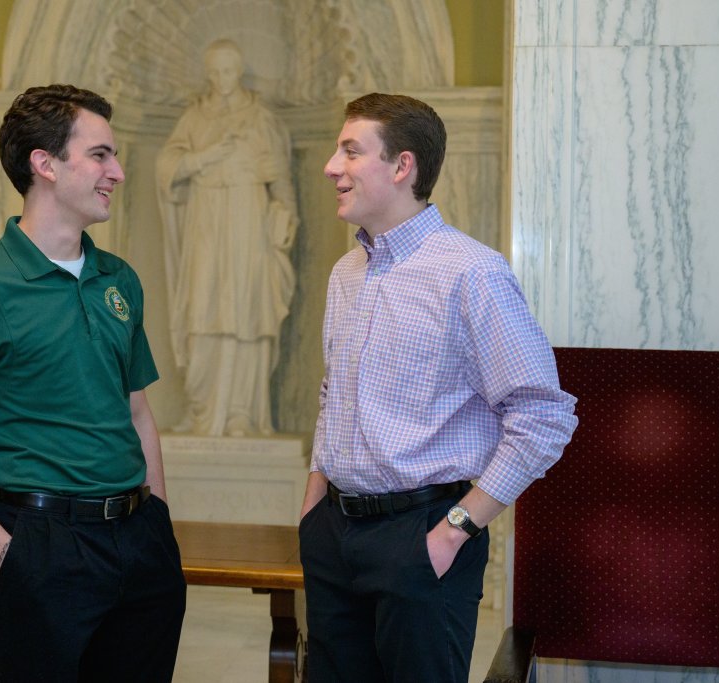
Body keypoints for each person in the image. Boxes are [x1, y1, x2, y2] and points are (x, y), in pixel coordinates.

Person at [0, 84, 186, 682]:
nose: (119, 172)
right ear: (45, 163)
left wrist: (156, 521)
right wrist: (9, 553)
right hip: (39, 543)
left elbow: (137, 412)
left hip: (139, 543)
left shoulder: (120, 280)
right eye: (101, 155)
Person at [298, 93, 578, 683]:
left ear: (402, 167)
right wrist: (315, 496)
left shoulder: (472, 272)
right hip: (334, 532)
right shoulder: (345, 272)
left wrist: (455, 530)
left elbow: (544, 416)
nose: (331, 166)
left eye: (351, 150)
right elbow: (335, 392)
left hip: (421, 536)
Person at [156, 39, 299, 437]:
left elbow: (280, 180)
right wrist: (204, 158)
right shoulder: (194, 118)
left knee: (246, 312)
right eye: (214, 72)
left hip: (247, 221)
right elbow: (167, 165)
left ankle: (242, 412)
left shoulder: (260, 118)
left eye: (228, 71)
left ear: (239, 72)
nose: (221, 80)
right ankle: (201, 409)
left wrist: (286, 217)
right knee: (202, 306)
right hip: (205, 221)